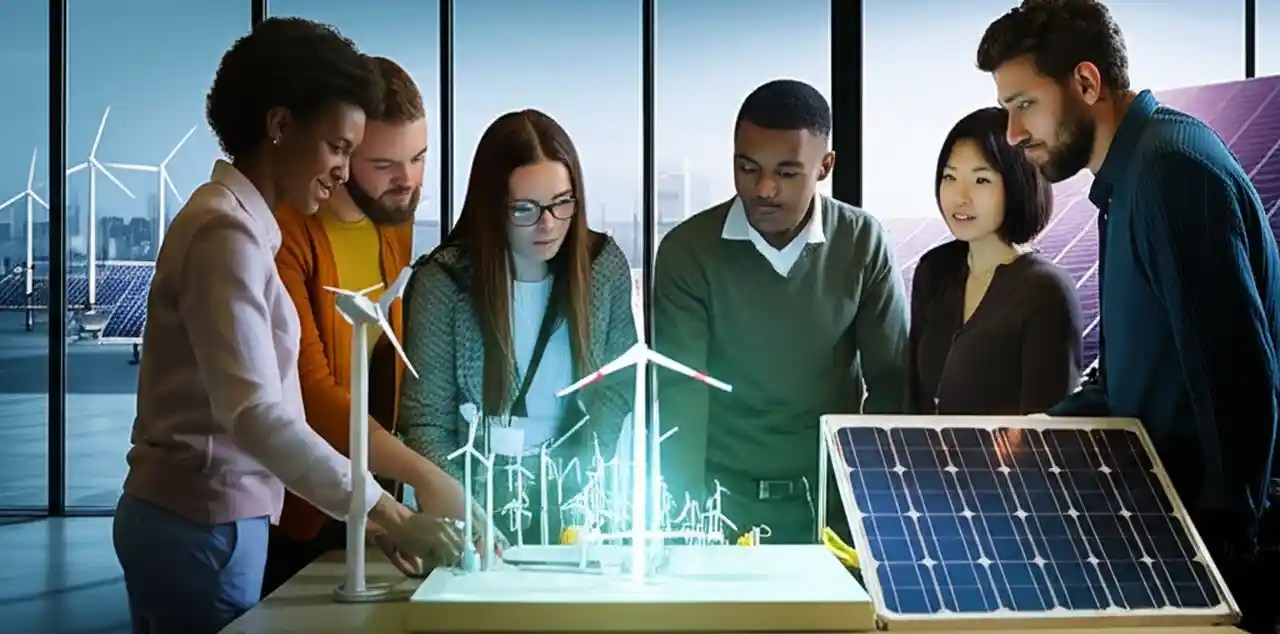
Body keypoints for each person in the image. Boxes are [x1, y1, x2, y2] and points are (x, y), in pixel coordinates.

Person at [112, 19, 463, 634]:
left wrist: (374, 521)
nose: (342, 170)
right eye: (338, 147)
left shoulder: (235, 222)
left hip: (196, 519)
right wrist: (390, 511)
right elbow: (258, 415)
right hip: (204, 522)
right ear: (278, 126)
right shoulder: (227, 235)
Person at [978, 0, 1280, 634]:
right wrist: (1047, 427)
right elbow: (1127, 380)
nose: (1012, 132)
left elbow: (1238, 383)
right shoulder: (1129, 180)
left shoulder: (1170, 171)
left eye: (1024, 104)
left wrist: (1226, 570)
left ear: (1087, 83)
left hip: (1213, 571)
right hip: (1174, 546)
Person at [653, 79, 909, 545]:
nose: (764, 189)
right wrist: (684, 523)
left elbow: (891, 387)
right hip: (720, 510)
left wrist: (874, 511)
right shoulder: (687, 252)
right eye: (747, 168)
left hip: (834, 508)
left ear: (825, 166)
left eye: (787, 173)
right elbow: (681, 395)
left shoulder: (862, 242)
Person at [265, 56, 469, 597]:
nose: (408, 181)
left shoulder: (392, 220)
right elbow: (309, 393)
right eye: (384, 164)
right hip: (295, 508)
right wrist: (425, 477)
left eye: (419, 158)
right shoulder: (284, 233)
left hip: (371, 501)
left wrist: (386, 512)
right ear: (343, 153)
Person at [398, 109, 637, 545]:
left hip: (575, 501)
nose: (548, 224)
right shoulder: (443, 283)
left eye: (562, 203)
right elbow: (426, 422)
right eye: (525, 209)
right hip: (470, 503)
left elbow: (619, 384)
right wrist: (466, 517)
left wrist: (584, 476)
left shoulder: (603, 267)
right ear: (492, 207)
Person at [909, 106, 1082, 415]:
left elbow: (1048, 429)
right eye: (950, 177)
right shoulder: (934, 269)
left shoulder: (1047, 290)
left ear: (1017, 182)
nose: (960, 196)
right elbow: (914, 399)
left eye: (981, 180)